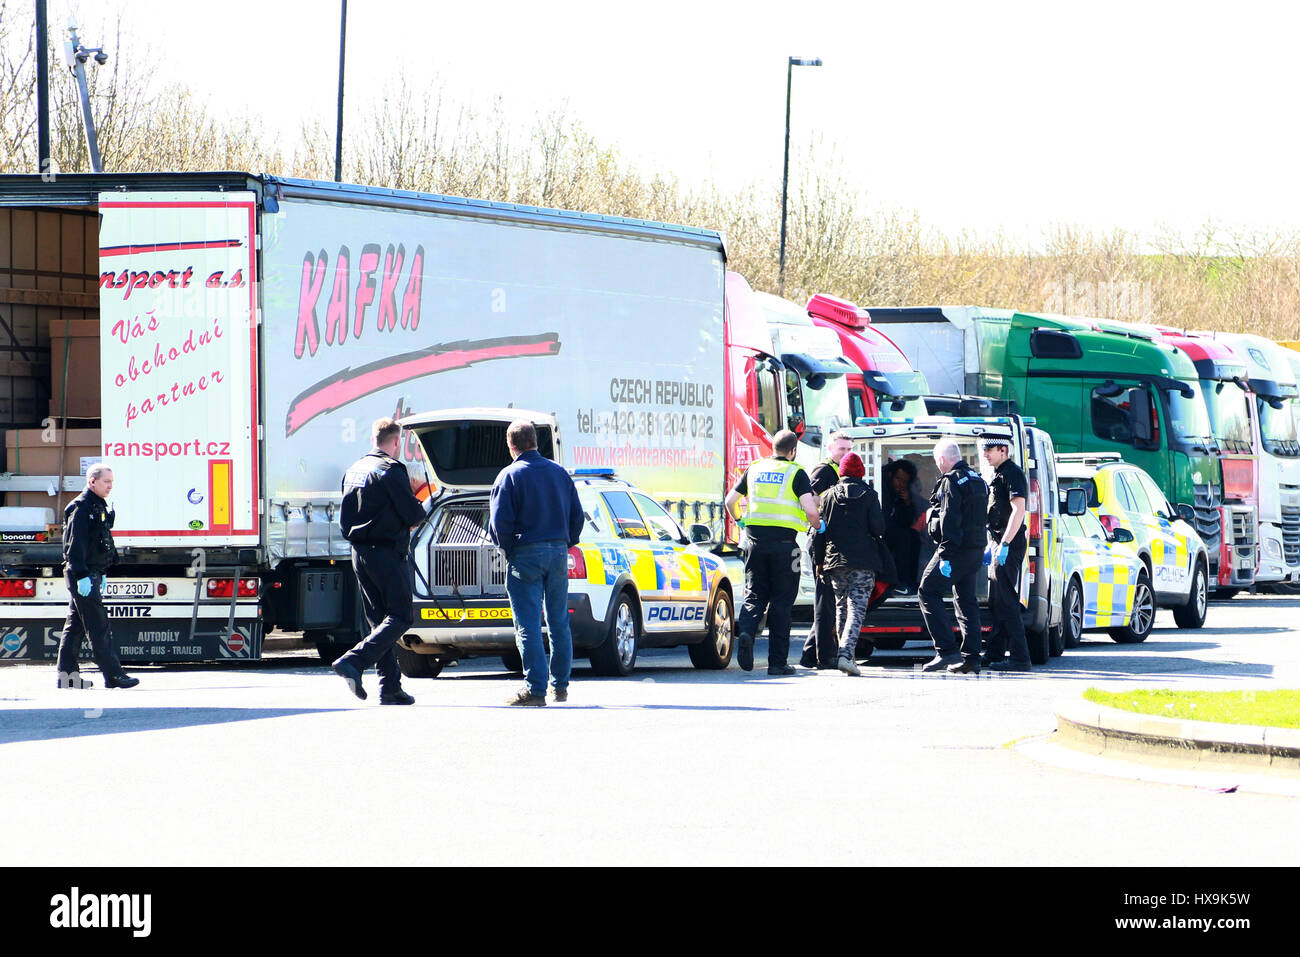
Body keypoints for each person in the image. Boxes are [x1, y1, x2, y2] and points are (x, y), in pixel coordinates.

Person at [489, 420, 584, 707]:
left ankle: (535, 690)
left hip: (525, 553)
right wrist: (564, 542)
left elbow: (499, 522)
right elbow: (577, 517)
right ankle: (561, 687)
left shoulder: (509, 475)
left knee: (528, 625)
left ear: (510, 445)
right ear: (536, 441)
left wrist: (508, 549)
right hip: (557, 552)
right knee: (559, 622)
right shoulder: (559, 474)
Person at [334, 418, 426, 704]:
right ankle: (353, 661)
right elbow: (413, 515)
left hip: (359, 553)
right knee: (400, 617)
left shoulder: (354, 468)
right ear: (396, 441)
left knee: (379, 621)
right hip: (386, 552)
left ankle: (390, 687)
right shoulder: (391, 470)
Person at [724, 429, 820, 675]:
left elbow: (730, 501)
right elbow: (810, 509)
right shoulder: (795, 472)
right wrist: (819, 525)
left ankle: (746, 632)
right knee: (782, 602)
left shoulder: (754, 469)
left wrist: (741, 522)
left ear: (772, 448)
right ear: (793, 451)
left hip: (754, 544)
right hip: (786, 546)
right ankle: (777, 663)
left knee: (754, 594)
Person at [55, 465, 138, 689]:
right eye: (106, 482)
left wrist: (100, 572)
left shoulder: (97, 505)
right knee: (98, 626)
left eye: (112, 482)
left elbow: (97, 542)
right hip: (81, 574)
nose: (110, 486)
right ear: (92, 481)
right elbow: (74, 546)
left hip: (91, 573)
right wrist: (82, 575)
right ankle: (114, 675)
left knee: (75, 627)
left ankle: (67, 678)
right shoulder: (81, 508)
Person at [810, 452, 887, 676]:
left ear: (841, 472)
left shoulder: (827, 497)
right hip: (863, 562)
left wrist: (819, 561)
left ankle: (847, 657)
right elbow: (878, 528)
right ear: (861, 472)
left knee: (842, 608)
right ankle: (845, 654)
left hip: (834, 562)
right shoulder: (869, 495)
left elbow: (819, 533)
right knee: (856, 608)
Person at [917, 440, 988, 675]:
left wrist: (945, 555)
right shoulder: (978, 480)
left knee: (927, 591)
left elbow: (949, 519)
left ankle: (946, 651)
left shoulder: (950, 481)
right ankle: (971, 659)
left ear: (942, 460)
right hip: (975, 550)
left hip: (955, 550)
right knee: (966, 600)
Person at [801, 430, 852, 670]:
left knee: (829, 599)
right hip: (821, 537)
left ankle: (810, 653)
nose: (845, 453)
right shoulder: (824, 471)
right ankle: (826, 655)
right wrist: (822, 516)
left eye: (848, 449)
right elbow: (809, 498)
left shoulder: (838, 472)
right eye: (841, 449)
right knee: (826, 600)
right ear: (830, 449)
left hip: (829, 538)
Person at [980, 436, 1032, 672]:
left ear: (1003, 450)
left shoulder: (1012, 473)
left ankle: (1020, 658)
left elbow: (1018, 510)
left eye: (989, 449)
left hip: (1008, 542)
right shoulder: (999, 473)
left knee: (1008, 601)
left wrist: (1006, 543)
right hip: (998, 541)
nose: (985, 453)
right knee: (997, 601)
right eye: (984, 449)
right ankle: (994, 653)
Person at [882, 459, 925, 592]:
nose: (900, 484)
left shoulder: (901, 495)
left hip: (893, 533)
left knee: (912, 536)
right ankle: (900, 583)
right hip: (878, 534)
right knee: (904, 537)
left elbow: (905, 522)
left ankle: (910, 582)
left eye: (905, 482)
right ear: (890, 475)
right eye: (898, 479)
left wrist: (906, 502)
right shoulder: (881, 488)